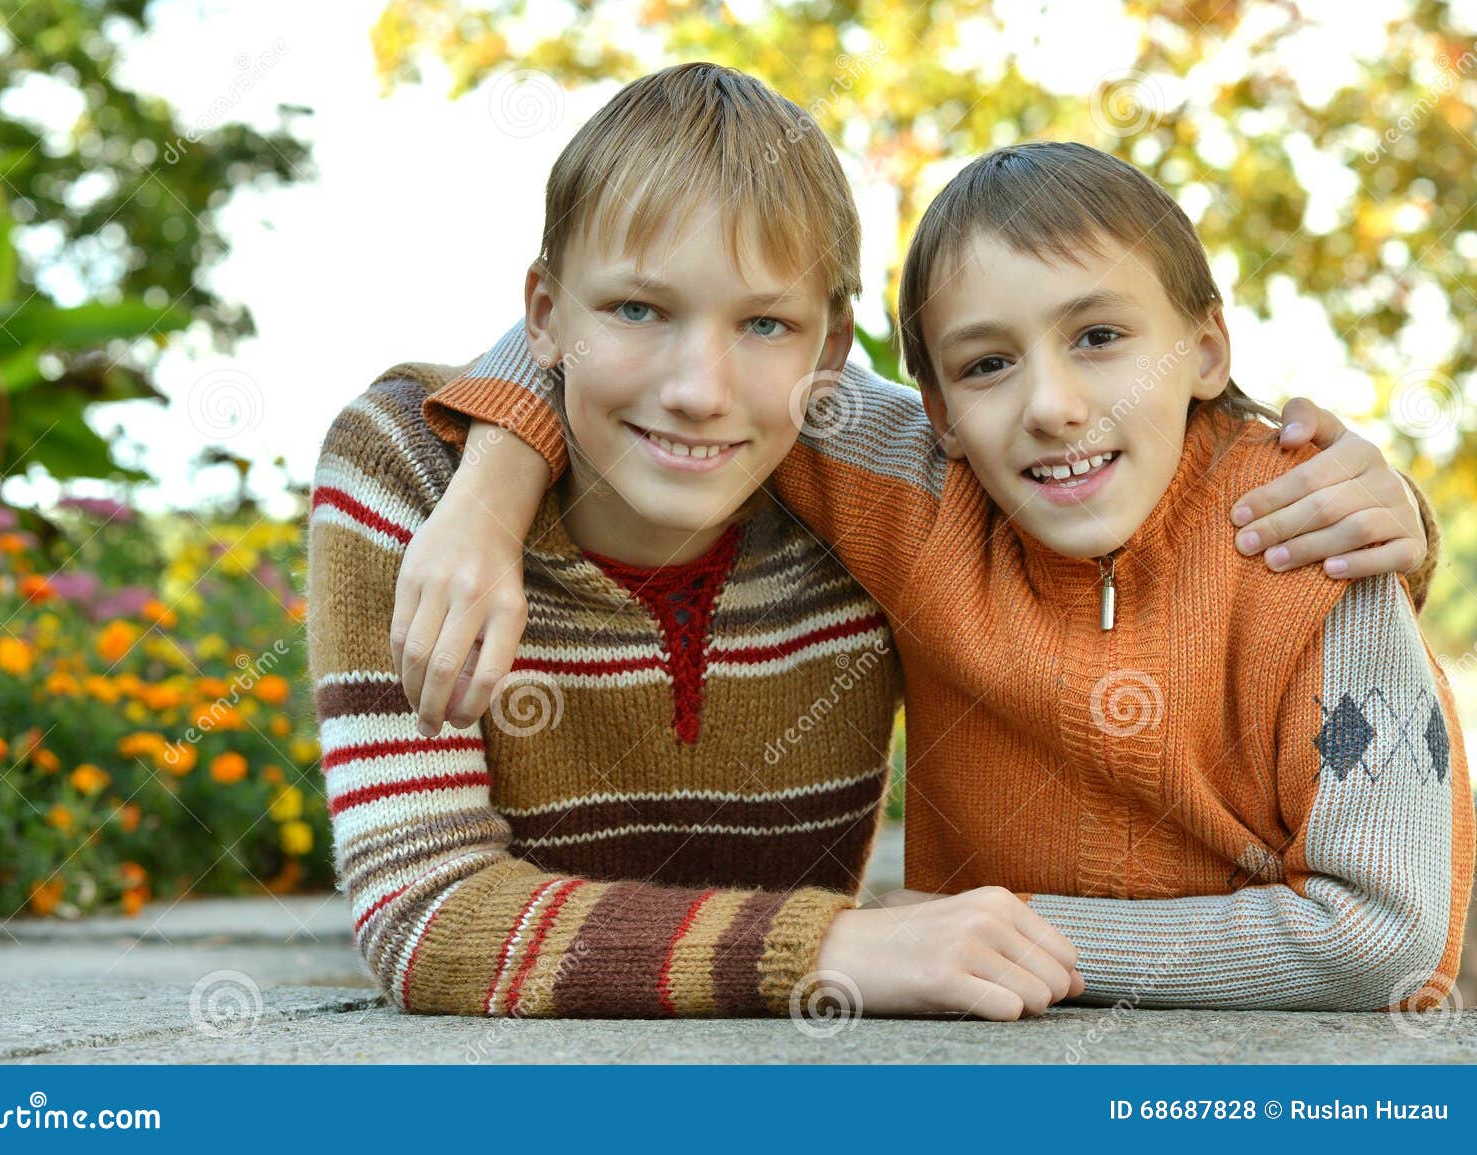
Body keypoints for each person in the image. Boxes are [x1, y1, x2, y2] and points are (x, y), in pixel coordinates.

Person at [322, 66, 1439, 1018]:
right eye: (987, 363)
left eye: (1100, 336)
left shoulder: (1301, 538)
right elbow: (603, 328)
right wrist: (491, 484)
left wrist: (1397, 514)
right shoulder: (424, 471)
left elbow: (1386, 936)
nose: (702, 387)